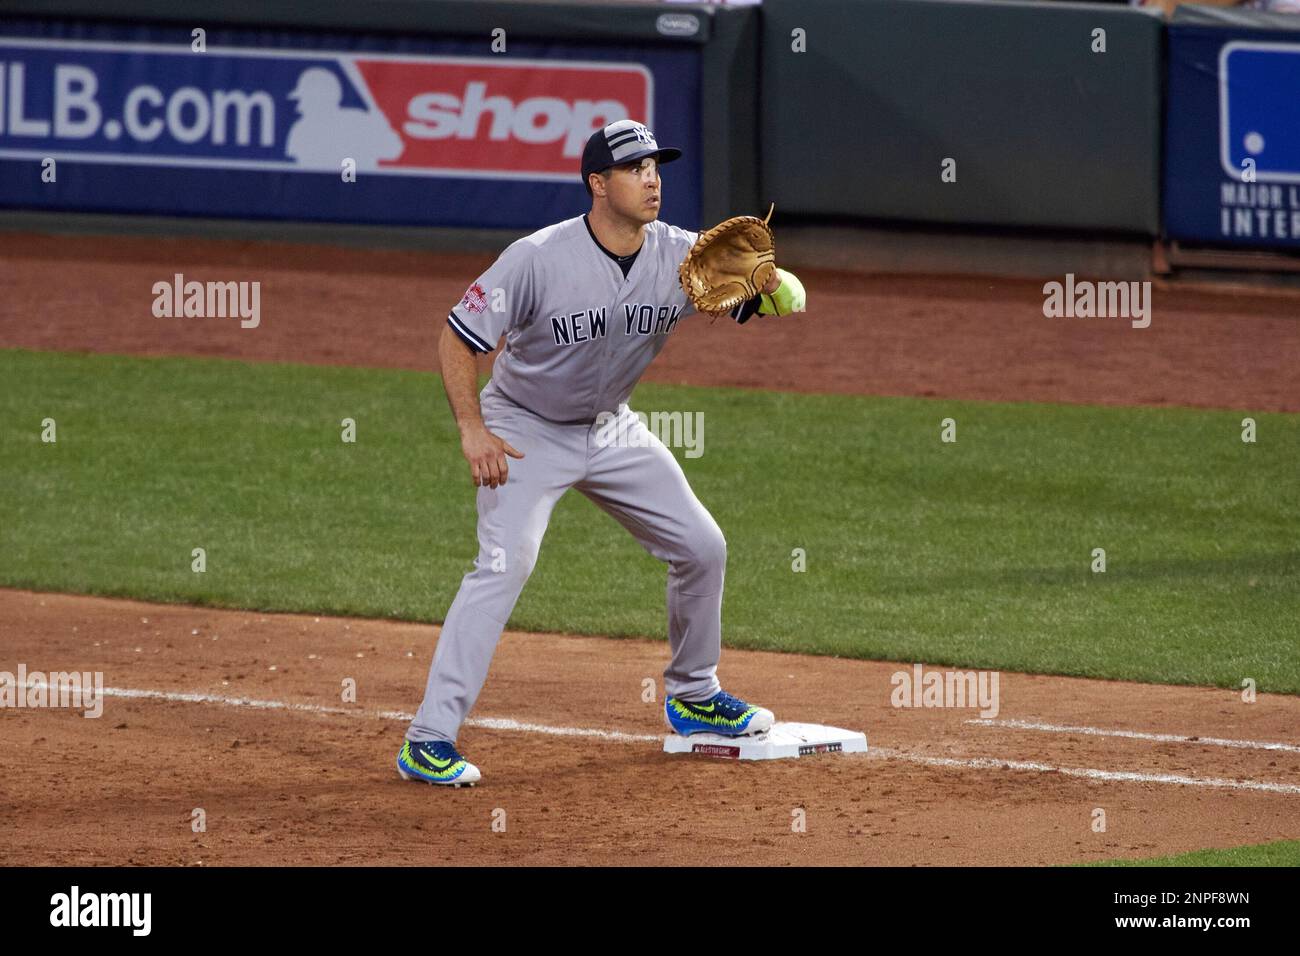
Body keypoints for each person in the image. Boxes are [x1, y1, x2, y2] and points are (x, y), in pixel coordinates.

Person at [396, 119, 807, 787]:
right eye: (634, 168)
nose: (652, 179)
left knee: (702, 545)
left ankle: (694, 698)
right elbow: (457, 338)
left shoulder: (682, 255)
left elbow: (749, 296)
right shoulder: (536, 257)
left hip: (611, 429)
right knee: (504, 565)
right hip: (524, 429)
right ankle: (428, 738)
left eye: (656, 167)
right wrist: (473, 430)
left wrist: (769, 284)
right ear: (597, 183)